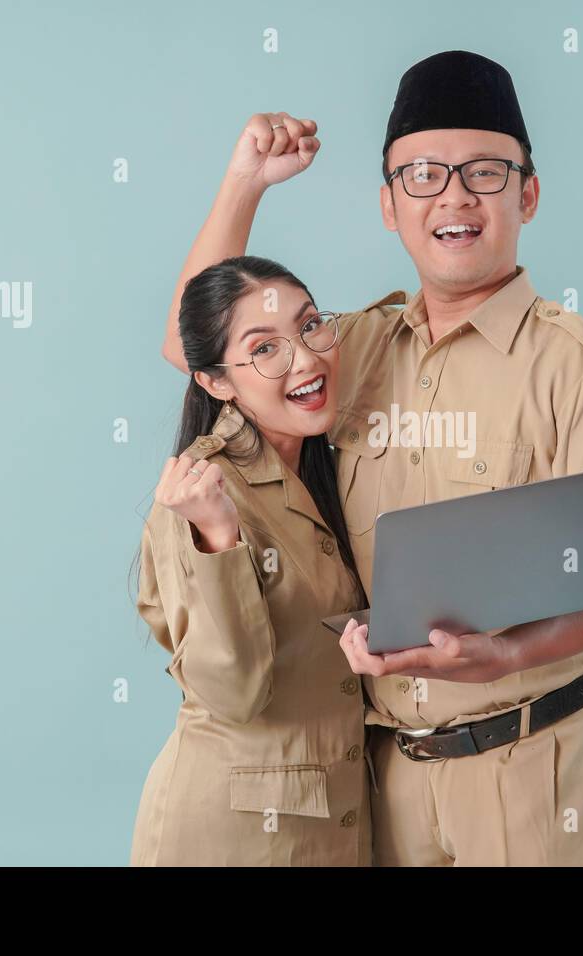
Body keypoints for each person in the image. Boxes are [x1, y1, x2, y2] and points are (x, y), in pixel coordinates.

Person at [160, 52, 583, 866]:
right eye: (424, 175)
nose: (455, 196)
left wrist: (499, 655)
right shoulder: (352, 348)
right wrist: (245, 183)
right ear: (390, 207)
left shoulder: (582, 367)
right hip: (387, 779)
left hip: (533, 764)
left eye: (485, 173)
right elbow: (195, 348)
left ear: (527, 195)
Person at [130, 146, 372, 861]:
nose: (304, 358)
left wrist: (254, 183)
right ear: (216, 384)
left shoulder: (319, 455)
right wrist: (217, 541)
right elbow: (232, 690)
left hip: (332, 827)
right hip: (234, 838)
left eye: (309, 326)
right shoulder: (200, 494)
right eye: (263, 349)